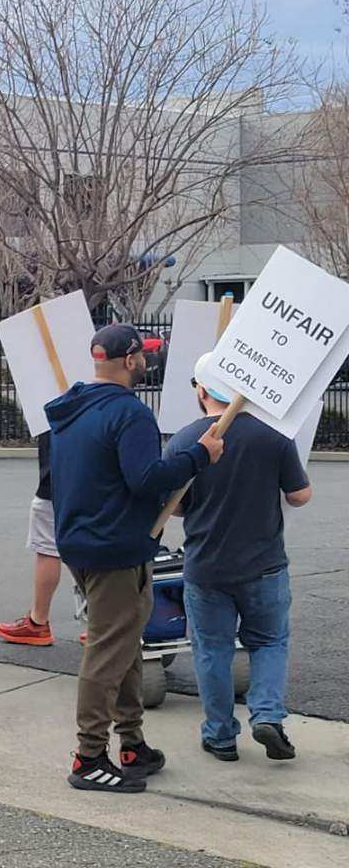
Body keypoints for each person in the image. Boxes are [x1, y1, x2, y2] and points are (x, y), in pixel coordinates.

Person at [48, 324, 223, 794]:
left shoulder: (72, 409)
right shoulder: (129, 414)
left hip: (82, 543)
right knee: (108, 651)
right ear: (128, 361)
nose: (148, 360)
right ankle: (88, 757)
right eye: (142, 354)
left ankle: (131, 742)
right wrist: (199, 456)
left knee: (124, 642)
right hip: (116, 549)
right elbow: (146, 479)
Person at [166, 355, 310, 763]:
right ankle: (267, 715)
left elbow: (174, 505)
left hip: (205, 564)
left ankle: (220, 734)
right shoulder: (273, 436)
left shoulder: (183, 442)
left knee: (212, 650)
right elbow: (299, 495)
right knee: (268, 642)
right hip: (264, 563)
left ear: (201, 390)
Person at [0, 432, 62, 645]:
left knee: (48, 549)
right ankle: (100, 624)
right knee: (90, 550)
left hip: (55, 484)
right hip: (93, 484)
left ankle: (38, 621)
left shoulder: (57, 405)